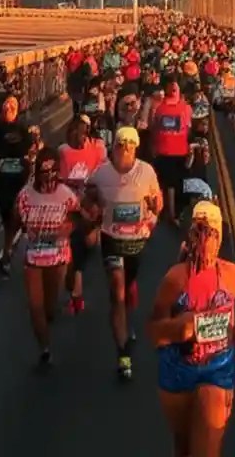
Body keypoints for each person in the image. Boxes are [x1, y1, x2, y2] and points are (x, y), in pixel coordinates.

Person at [151, 201, 235, 457]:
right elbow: (154, 331)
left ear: (219, 238)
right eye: (198, 232)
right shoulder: (174, 278)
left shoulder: (234, 275)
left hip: (216, 369)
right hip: (178, 368)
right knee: (183, 445)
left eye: (209, 233)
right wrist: (179, 329)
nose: (204, 240)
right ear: (190, 236)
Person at [84, 126, 164, 380]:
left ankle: (127, 320)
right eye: (120, 144)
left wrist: (152, 215)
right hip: (112, 240)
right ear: (114, 147)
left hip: (137, 242)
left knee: (128, 287)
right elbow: (88, 197)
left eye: (129, 145)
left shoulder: (147, 172)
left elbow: (157, 203)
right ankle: (123, 354)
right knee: (117, 292)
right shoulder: (101, 173)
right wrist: (92, 215)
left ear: (136, 148)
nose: (124, 149)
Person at [17, 148, 82, 366]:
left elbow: (77, 217)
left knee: (49, 308)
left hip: (57, 256)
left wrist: (71, 228)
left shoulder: (66, 194)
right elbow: (17, 221)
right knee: (35, 307)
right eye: (43, 172)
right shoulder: (25, 196)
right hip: (33, 256)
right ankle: (44, 349)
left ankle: (49, 320)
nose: (49, 176)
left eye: (52, 171)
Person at [0, 92, 37, 277]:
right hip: (3, 182)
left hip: (20, 180)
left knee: (19, 218)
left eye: (13, 106)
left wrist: (31, 157)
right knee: (9, 221)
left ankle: (10, 255)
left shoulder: (23, 128)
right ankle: (8, 254)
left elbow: (32, 148)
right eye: (6, 106)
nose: (9, 109)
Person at [59, 116, 107, 315]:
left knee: (87, 244)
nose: (80, 138)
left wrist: (97, 205)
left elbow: (102, 176)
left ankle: (75, 286)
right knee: (75, 247)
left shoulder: (96, 149)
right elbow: (59, 180)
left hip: (90, 207)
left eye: (83, 133)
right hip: (70, 209)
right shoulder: (63, 152)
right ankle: (76, 293)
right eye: (76, 134)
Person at [150, 76, 193, 227]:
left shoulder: (159, 108)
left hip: (165, 150)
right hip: (178, 150)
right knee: (175, 182)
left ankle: (167, 211)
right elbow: (187, 128)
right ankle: (172, 213)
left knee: (168, 182)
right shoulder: (185, 108)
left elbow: (153, 127)